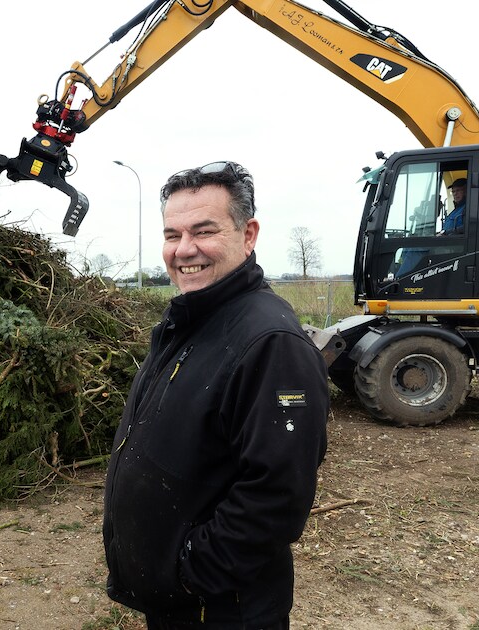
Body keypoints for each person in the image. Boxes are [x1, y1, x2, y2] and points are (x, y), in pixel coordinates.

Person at [102, 161, 329, 629]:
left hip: (221, 607)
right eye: (172, 235)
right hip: (180, 601)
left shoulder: (270, 343)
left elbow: (276, 494)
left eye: (203, 231)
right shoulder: (189, 321)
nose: (184, 250)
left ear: (248, 235)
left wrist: (191, 573)